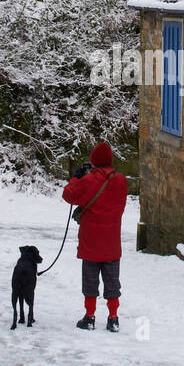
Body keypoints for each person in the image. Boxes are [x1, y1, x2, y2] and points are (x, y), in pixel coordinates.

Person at [62, 142, 127, 332]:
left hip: (91, 240)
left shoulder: (88, 181)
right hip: (112, 241)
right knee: (112, 282)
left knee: (90, 280)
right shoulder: (121, 180)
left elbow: (68, 195)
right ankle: (113, 318)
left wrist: (77, 177)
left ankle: (89, 317)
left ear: (94, 161)